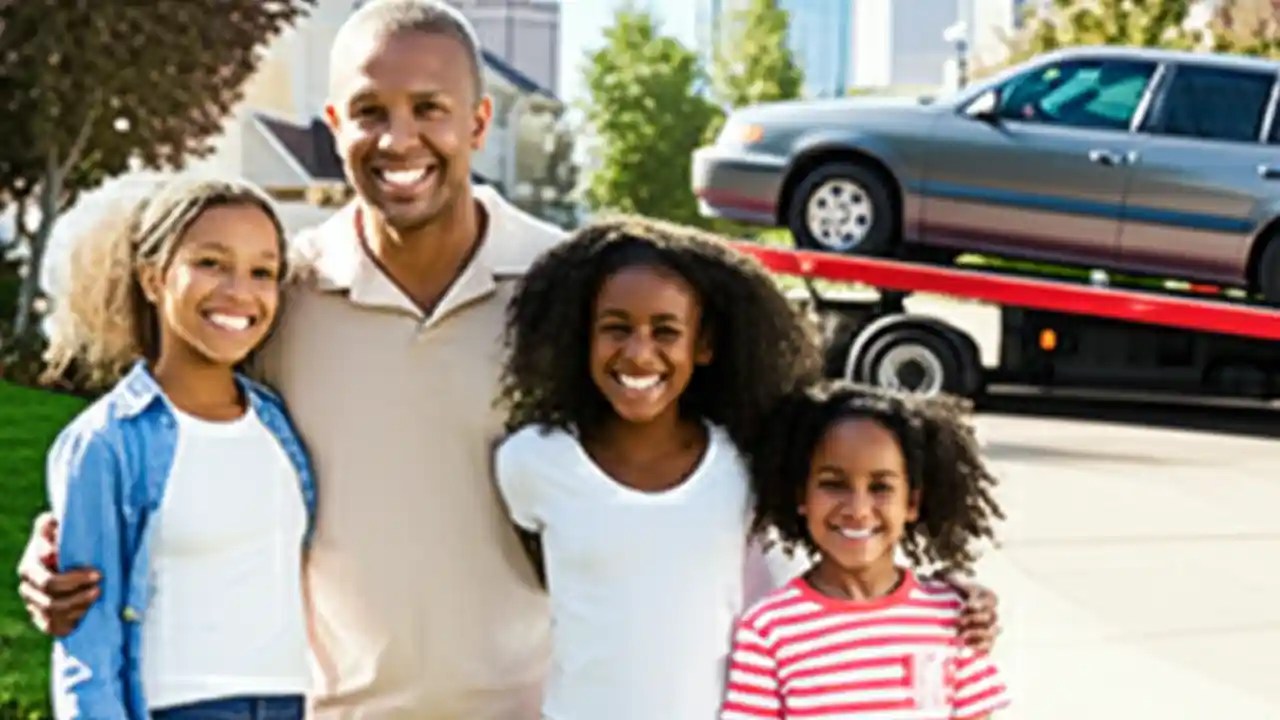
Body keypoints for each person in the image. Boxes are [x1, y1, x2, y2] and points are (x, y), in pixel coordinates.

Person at [14, 1, 1002, 717]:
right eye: (368, 111)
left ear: (478, 122)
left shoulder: (575, 296)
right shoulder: (283, 298)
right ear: (333, 130)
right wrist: (64, 547)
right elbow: (183, 452)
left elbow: (735, 484)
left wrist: (914, 595)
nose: (398, 138)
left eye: (429, 109)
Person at [493, 216, 822, 719]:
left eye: (666, 331)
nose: (639, 353)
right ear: (583, 337)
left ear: (704, 346)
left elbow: (828, 571)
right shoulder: (532, 461)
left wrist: (951, 597)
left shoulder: (743, 466)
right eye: (616, 329)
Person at [40, 177, 315, 720]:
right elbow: (84, 650)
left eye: (262, 272)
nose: (240, 291)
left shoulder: (278, 423)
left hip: (292, 704)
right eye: (211, 263)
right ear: (153, 278)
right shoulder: (107, 442)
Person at [720, 381, 1012, 720]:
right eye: (834, 484)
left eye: (880, 487)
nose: (858, 509)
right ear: (802, 496)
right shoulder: (768, 631)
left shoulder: (956, 618)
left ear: (912, 503)